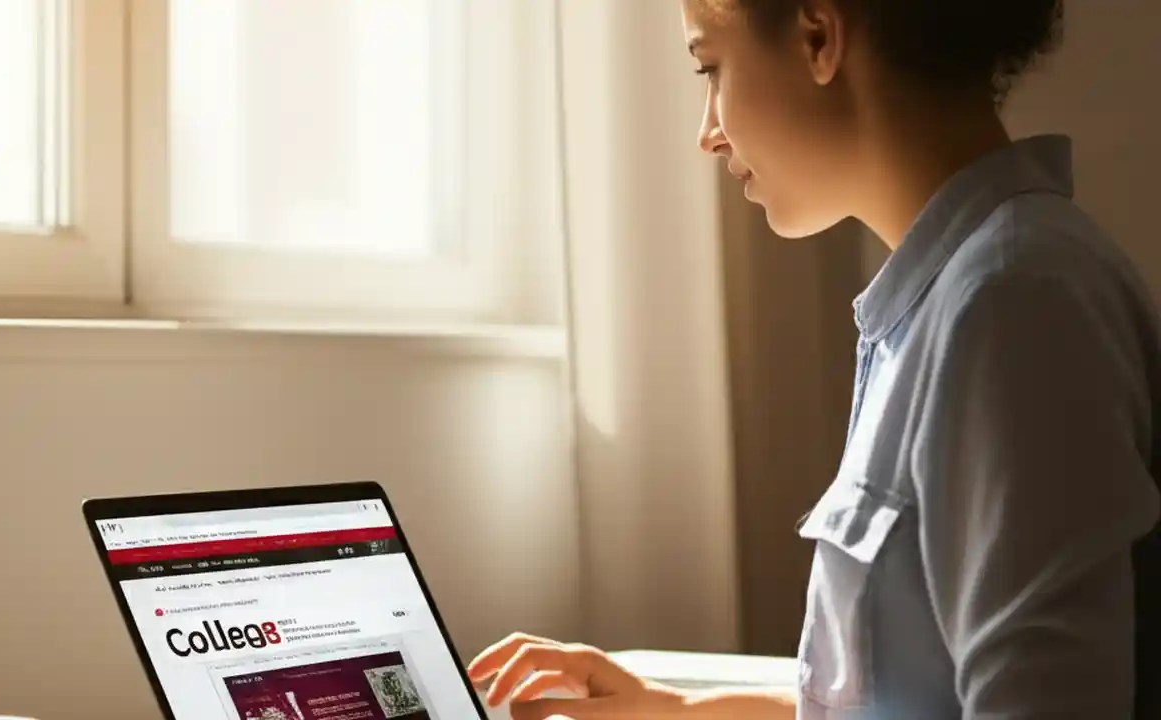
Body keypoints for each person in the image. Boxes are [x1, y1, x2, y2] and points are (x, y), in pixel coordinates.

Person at [467, 0, 1161, 718]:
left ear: (818, 37)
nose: (707, 133)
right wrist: (675, 710)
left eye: (711, 67)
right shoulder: (951, 300)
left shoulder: (1014, 300)